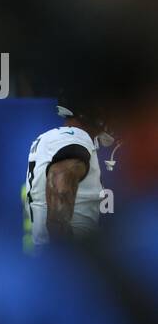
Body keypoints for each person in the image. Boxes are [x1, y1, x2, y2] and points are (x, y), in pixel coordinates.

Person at [25, 97, 115, 247]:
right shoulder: (76, 139)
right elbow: (61, 181)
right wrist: (66, 254)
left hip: (49, 254)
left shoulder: (51, 138)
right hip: (66, 261)